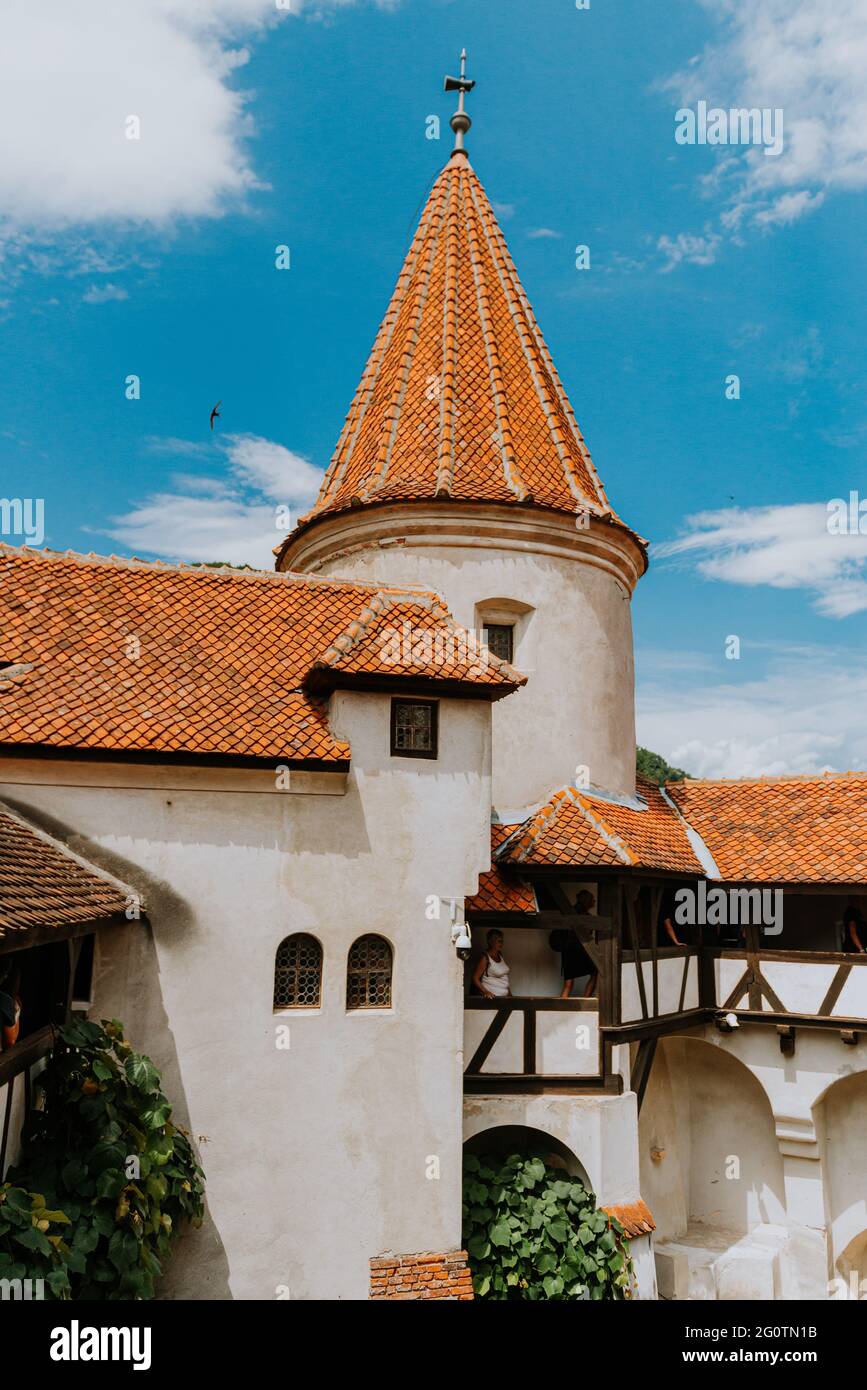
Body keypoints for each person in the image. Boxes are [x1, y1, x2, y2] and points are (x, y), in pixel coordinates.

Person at [559, 889, 598, 999]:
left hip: (568, 951)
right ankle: (585, 999)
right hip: (577, 950)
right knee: (595, 972)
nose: (594, 902)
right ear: (587, 901)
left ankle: (563, 1006)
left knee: (568, 984)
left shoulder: (570, 912)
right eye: (592, 900)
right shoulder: (586, 917)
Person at [472, 930, 511, 998]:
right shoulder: (485, 958)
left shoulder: (500, 955)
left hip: (504, 997)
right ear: (491, 942)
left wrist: (510, 994)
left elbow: (504, 977)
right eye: (499, 941)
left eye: (502, 941)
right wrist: (486, 992)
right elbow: (475, 978)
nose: (501, 944)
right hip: (493, 999)